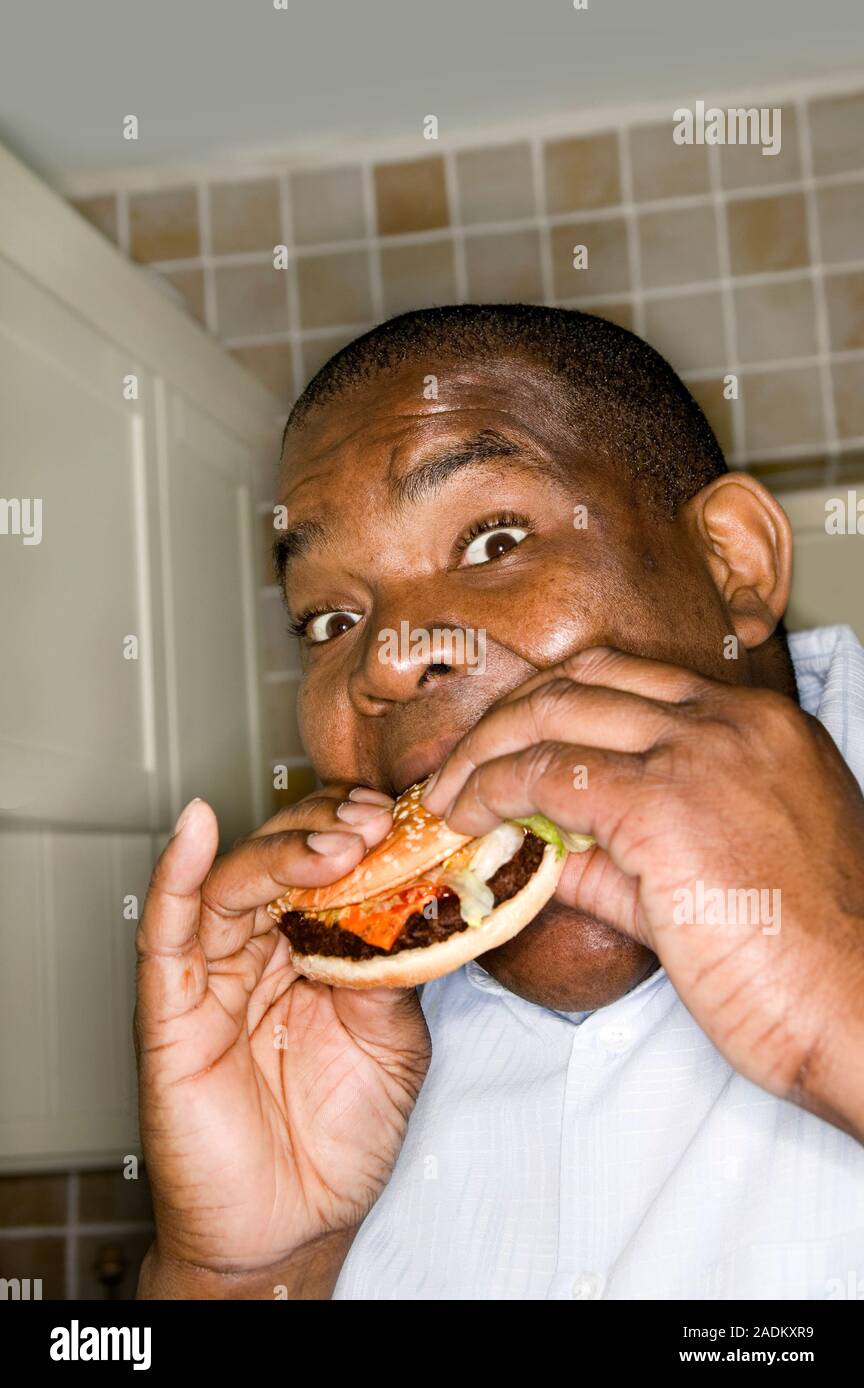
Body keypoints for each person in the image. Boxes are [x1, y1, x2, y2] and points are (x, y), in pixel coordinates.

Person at [135, 305, 864, 1300]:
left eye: (493, 540)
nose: (386, 661)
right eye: (331, 618)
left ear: (734, 561)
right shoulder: (331, 1043)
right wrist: (246, 1268)